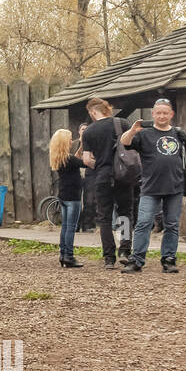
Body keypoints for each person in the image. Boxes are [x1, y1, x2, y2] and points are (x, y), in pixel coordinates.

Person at [119, 98, 186, 274]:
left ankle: (169, 259)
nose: (162, 116)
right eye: (159, 113)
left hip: (175, 186)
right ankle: (137, 260)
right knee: (143, 223)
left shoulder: (179, 134)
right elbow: (125, 143)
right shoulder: (143, 134)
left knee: (172, 224)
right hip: (150, 187)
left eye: (165, 113)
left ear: (171, 114)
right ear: (153, 114)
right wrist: (133, 130)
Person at [81, 97, 139, 269]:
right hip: (123, 175)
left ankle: (109, 258)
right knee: (125, 212)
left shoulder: (89, 131)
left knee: (104, 217)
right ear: (107, 109)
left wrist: (99, 164)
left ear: (93, 112)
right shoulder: (121, 123)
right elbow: (132, 146)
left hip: (102, 177)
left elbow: (86, 159)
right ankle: (124, 250)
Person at [49, 128, 93, 268]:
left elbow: (76, 157)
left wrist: (81, 143)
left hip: (63, 195)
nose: (70, 141)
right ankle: (69, 255)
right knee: (71, 227)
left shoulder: (59, 158)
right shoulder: (70, 159)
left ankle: (63, 254)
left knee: (65, 226)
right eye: (69, 139)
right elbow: (85, 162)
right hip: (73, 196)